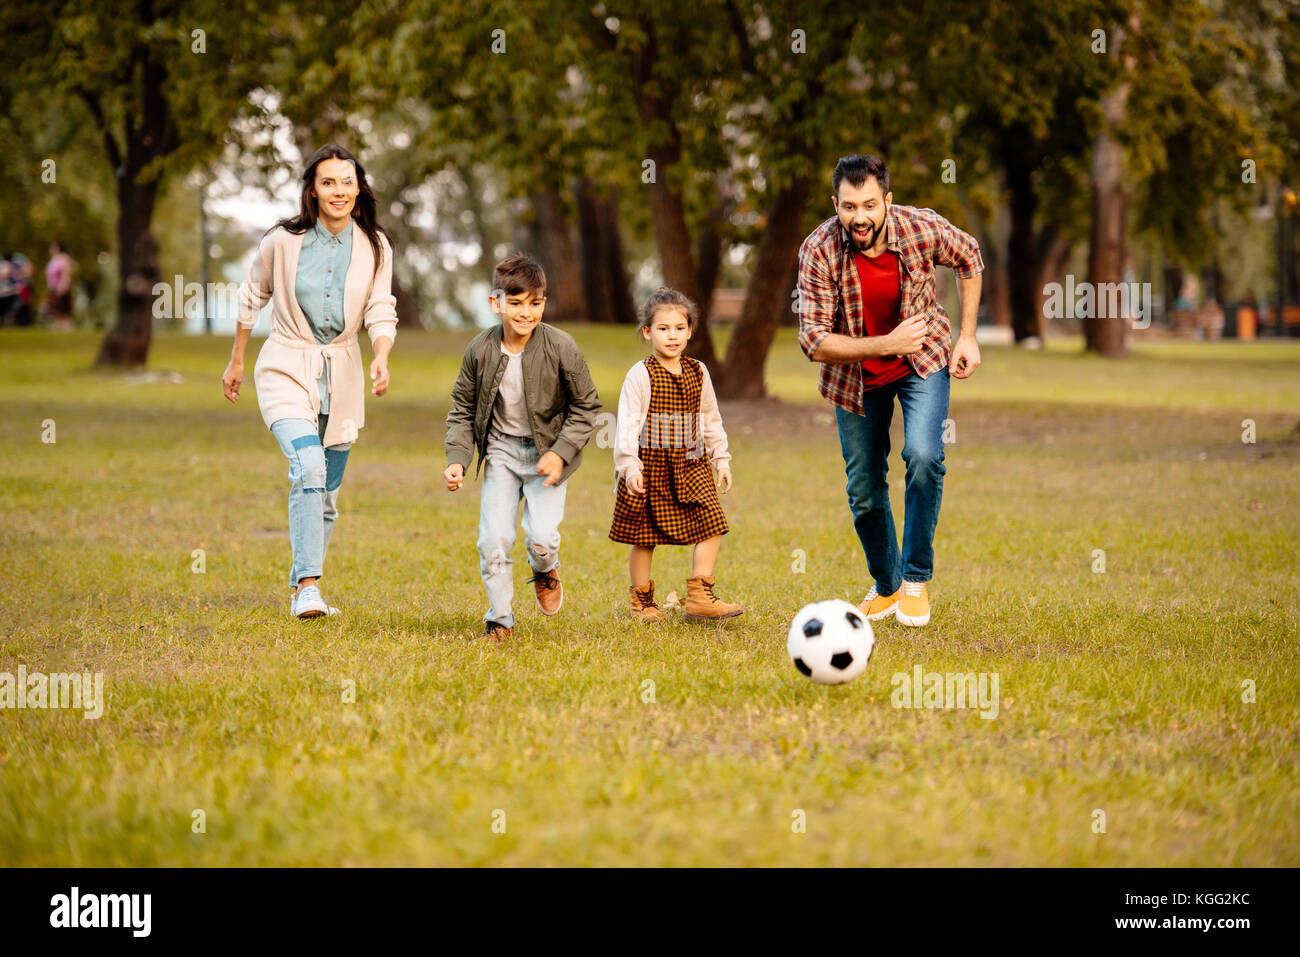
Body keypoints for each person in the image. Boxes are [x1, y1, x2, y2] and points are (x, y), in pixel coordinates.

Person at [797, 154, 983, 628]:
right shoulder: (819, 249)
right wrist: (887, 343)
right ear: (834, 204)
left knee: (923, 455)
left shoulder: (921, 228)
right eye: (848, 206)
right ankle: (887, 585)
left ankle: (915, 580)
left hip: (922, 360)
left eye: (870, 205)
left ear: (888, 201)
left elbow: (971, 257)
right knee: (863, 490)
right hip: (854, 377)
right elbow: (815, 342)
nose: (860, 217)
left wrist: (967, 336)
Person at [222, 144, 397, 619]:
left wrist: (380, 357)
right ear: (312, 191)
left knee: (327, 497)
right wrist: (237, 361)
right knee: (309, 469)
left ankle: (303, 581)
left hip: (342, 377)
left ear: (358, 187)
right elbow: (252, 295)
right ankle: (308, 586)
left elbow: (381, 308)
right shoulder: (282, 240)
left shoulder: (376, 246)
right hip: (284, 367)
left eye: (346, 181)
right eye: (327, 182)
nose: (338, 191)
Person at [443, 253, 601, 642]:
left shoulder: (561, 346)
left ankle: (545, 568)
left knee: (542, 539)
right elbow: (462, 409)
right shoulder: (479, 351)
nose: (526, 312)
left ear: (544, 302)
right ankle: (500, 618)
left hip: (548, 456)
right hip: (500, 452)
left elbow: (587, 406)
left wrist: (560, 451)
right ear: (496, 303)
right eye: (515, 303)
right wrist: (458, 460)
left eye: (535, 302)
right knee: (493, 539)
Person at [609, 287, 740, 623]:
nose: (673, 336)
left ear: (690, 330)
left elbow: (710, 418)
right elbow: (626, 426)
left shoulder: (699, 371)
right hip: (650, 465)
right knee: (644, 535)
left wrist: (721, 458)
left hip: (692, 463)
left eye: (680, 328)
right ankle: (642, 602)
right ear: (647, 332)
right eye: (664, 329)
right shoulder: (641, 374)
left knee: (712, 522)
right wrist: (629, 467)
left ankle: (699, 596)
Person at [44, 242, 74, 331]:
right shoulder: (54, 259)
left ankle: (66, 330)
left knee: (63, 312)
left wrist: (63, 287)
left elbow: (66, 274)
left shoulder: (64, 259)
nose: (51, 249)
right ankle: (58, 330)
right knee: (56, 313)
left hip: (61, 289)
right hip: (53, 289)